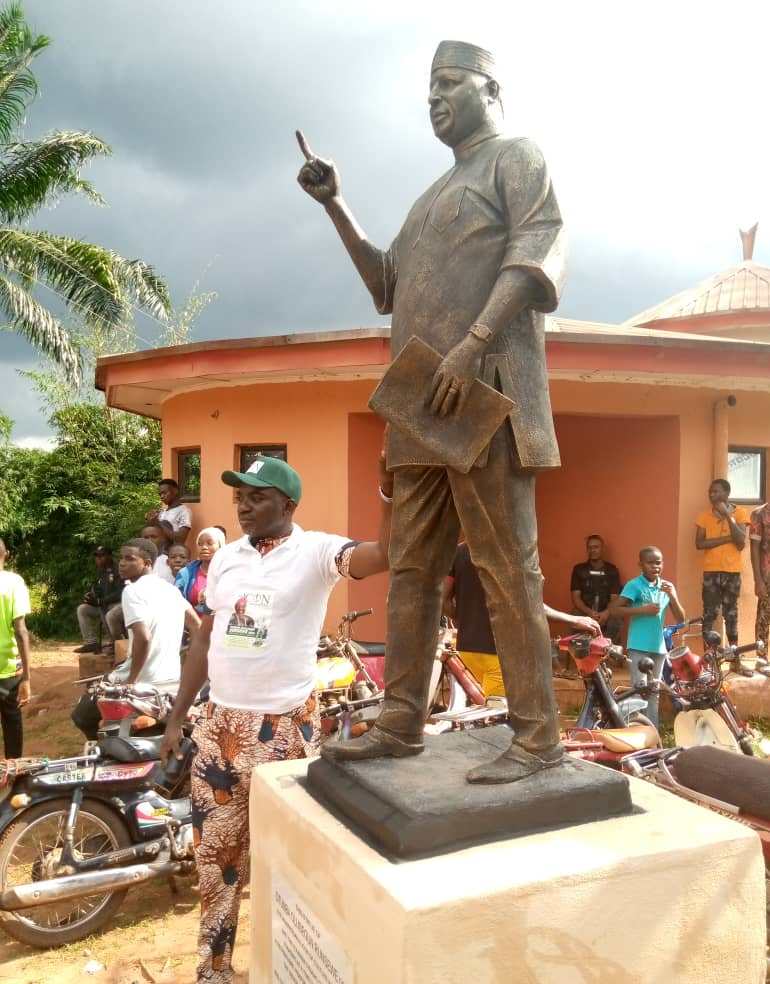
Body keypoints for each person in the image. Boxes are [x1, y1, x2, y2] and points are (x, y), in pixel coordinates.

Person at [298, 40, 565, 784]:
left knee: (509, 570)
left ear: (490, 88)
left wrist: (474, 341)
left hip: (485, 393)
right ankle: (400, 722)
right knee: (412, 568)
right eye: (428, 89)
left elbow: (538, 250)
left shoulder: (516, 158)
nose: (436, 98)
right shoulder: (431, 197)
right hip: (420, 404)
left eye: (450, 84)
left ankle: (538, 737)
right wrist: (335, 206)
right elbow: (386, 283)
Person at [160, 453, 391, 983]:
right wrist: (178, 717)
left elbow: (388, 553)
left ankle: (285, 968)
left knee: (288, 866)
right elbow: (205, 637)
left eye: (257, 496)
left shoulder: (317, 552)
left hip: (283, 731)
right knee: (215, 864)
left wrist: (387, 493)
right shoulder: (226, 559)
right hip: (220, 728)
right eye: (239, 494)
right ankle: (215, 971)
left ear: (288, 503)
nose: (242, 504)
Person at [72, 537, 200, 740]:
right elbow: (197, 627)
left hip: (143, 681)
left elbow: (143, 638)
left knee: (82, 715)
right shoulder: (171, 589)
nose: (122, 563)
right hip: (172, 679)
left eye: (130, 559)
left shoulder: (132, 591)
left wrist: (130, 682)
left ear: (147, 563)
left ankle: (105, 754)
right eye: (121, 558)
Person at [444, 542, 600, 697]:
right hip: (498, 655)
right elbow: (530, 605)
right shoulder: (509, 547)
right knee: (499, 717)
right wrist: (573, 620)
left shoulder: (459, 551)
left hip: (467, 652)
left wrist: (466, 620)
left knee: (483, 712)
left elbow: (442, 600)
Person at [610, 547, 685, 727]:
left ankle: (653, 732)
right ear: (640, 565)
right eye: (650, 563)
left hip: (658, 647)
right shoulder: (634, 585)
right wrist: (642, 610)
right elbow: (614, 610)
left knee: (654, 692)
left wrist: (672, 596)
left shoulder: (667, 587)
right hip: (639, 646)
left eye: (658, 562)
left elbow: (681, 618)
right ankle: (636, 730)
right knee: (639, 690)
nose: (655, 566)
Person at [695, 479, 750, 645]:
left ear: (727, 493)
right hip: (711, 572)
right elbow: (699, 543)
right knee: (709, 614)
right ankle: (708, 660)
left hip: (732, 572)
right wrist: (728, 538)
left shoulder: (740, 513)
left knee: (731, 614)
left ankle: (734, 658)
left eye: (716, 491)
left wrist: (727, 515)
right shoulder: (704, 516)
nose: (712, 495)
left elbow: (740, 542)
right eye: (710, 492)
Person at [0, 538, 31, 758]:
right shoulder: (13, 582)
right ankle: (13, 774)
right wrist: (27, 678)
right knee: (11, 722)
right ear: (6, 554)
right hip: (8, 668)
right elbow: (20, 630)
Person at [570, 535, 622, 643]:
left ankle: (608, 652)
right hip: (585, 611)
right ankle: (577, 654)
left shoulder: (612, 570)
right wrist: (589, 613)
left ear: (602, 549)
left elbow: (615, 598)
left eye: (596, 547)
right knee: (574, 617)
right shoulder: (579, 569)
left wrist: (606, 613)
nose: (593, 550)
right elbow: (576, 598)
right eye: (590, 547)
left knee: (616, 620)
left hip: (606, 612)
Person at [75, 546, 124, 655]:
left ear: (110, 556)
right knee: (83, 609)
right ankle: (91, 643)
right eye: (96, 556)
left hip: (117, 605)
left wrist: (101, 601)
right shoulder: (101, 571)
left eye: (102, 555)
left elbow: (121, 592)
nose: (99, 558)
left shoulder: (119, 569)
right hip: (104, 604)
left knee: (106, 608)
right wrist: (91, 596)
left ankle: (115, 643)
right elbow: (100, 591)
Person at [175, 527, 225, 613]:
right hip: (192, 625)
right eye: (200, 544)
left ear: (221, 546)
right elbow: (177, 604)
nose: (204, 547)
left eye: (210, 543)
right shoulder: (185, 573)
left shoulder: (229, 572)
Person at [146, 478, 192, 545]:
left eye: (164, 493)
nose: (161, 496)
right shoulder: (162, 512)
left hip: (171, 553)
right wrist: (151, 521)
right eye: (160, 494)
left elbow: (180, 539)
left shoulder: (184, 511)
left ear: (175, 491)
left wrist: (158, 523)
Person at [750, 501, 770, 650]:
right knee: (764, 617)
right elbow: (754, 548)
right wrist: (758, 580)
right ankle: (762, 658)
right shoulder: (759, 514)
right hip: (767, 575)